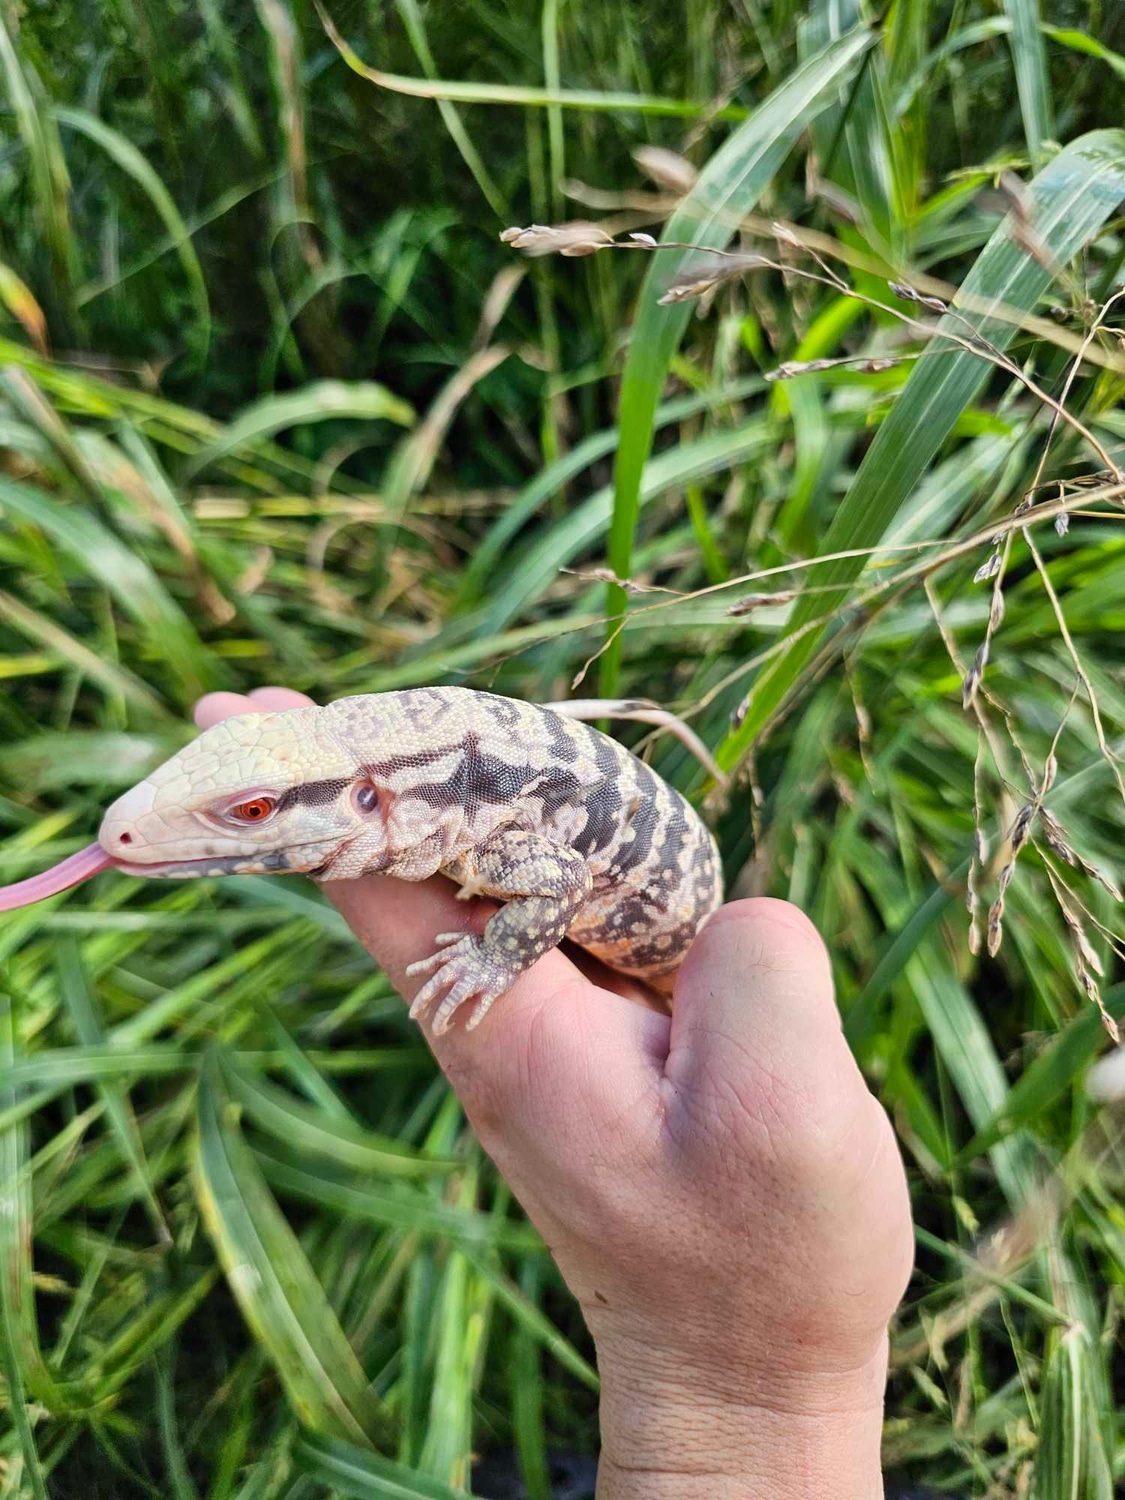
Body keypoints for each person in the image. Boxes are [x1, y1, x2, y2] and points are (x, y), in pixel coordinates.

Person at [196, 687, 915, 1499]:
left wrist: (495, 960)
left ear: (371, 797)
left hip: (659, 949)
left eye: (255, 809)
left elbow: (555, 881)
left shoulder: (479, 835)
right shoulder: (428, 799)